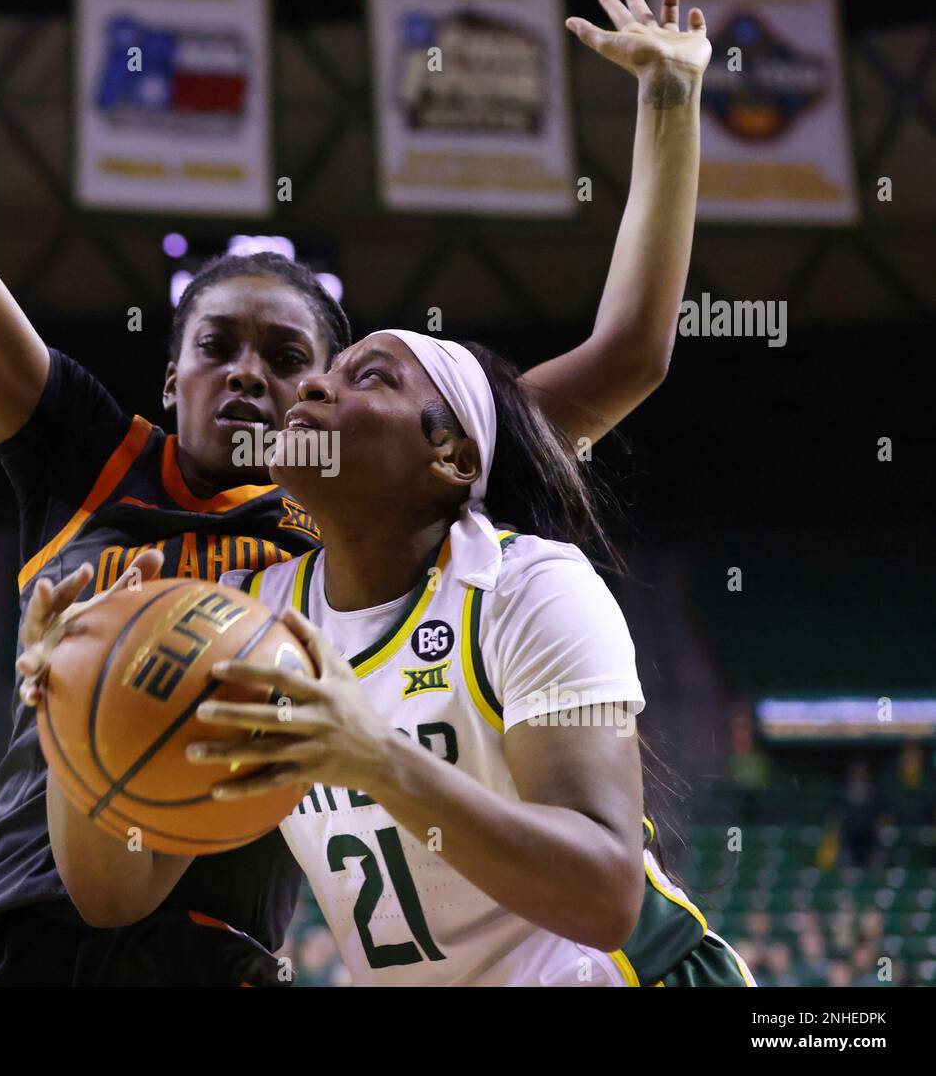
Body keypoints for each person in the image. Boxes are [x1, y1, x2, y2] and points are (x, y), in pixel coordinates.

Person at [0, 0, 708, 986]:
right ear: (170, 380)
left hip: (216, 954)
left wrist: (671, 99)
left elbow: (623, 355)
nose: (257, 377)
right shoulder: (86, 453)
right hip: (14, 920)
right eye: (216, 347)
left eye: (296, 356)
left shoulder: (368, 514)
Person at [170, 330, 754, 985]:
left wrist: (379, 758)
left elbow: (606, 896)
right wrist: (68, 689)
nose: (311, 385)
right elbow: (108, 895)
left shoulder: (525, 587)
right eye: (326, 372)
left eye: (370, 377)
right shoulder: (246, 617)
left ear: (453, 457)